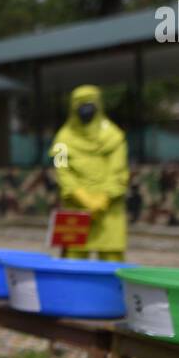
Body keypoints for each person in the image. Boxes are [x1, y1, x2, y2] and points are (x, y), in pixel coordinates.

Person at [48, 84, 129, 260]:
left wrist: (103, 198)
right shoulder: (61, 141)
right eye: (80, 103)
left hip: (109, 212)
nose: (85, 108)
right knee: (73, 264)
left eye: (89, 102)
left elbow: (119, 171)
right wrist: (81, 196)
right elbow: (61, 171)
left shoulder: (115, 137)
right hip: (75, 212)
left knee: (111, 263)